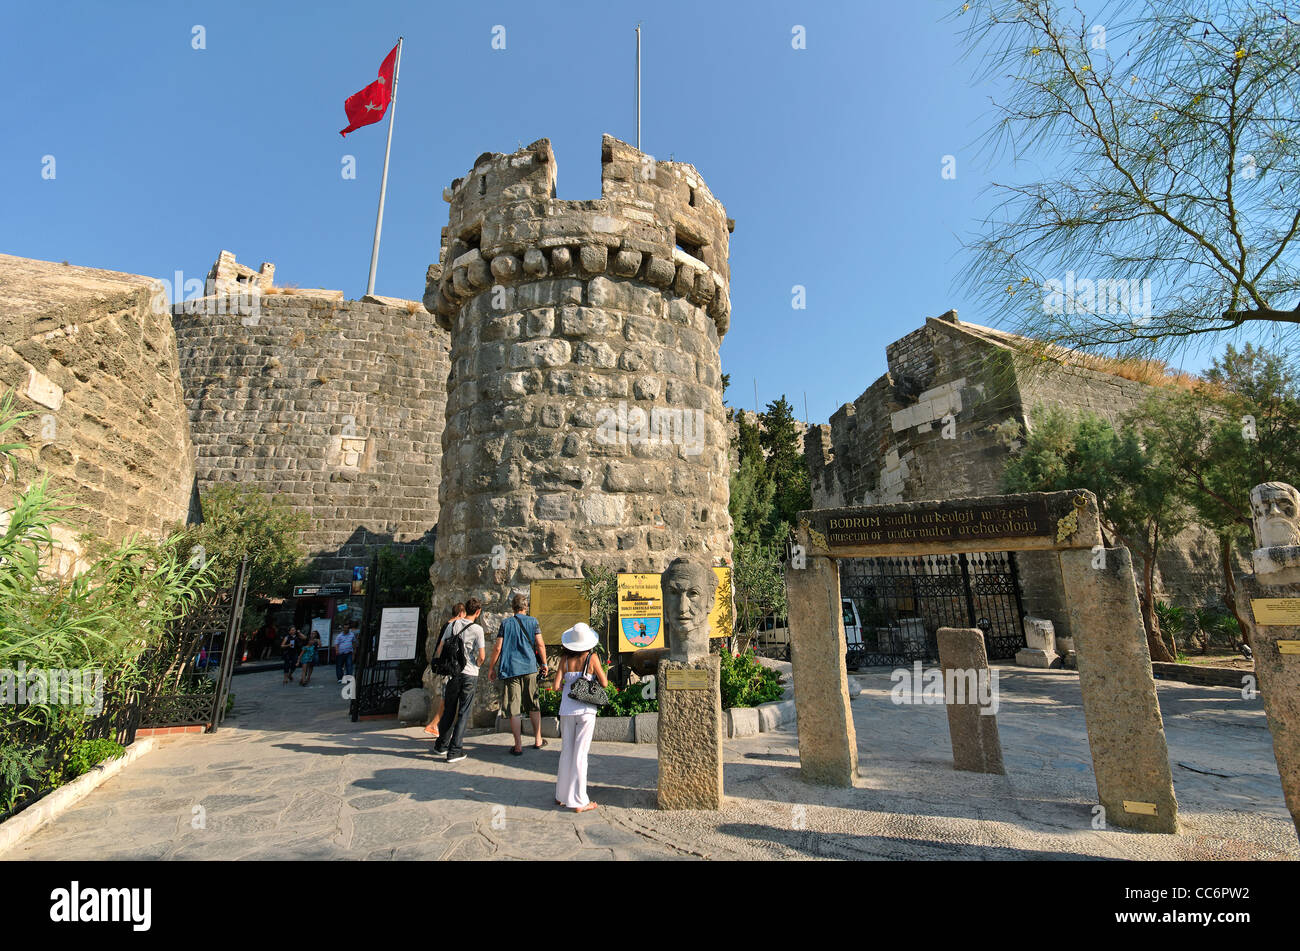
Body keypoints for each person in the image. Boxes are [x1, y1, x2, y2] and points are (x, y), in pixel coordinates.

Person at [552, 622, 606, 813]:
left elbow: (556, 686)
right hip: (586, 710)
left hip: (566, 709)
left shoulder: (564, 659)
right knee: (581, 755)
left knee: (566, 751)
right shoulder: (592, 658)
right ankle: (579, 800)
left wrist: (570, 681)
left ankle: (562, 795)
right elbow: (605, 683)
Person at [489, 592, 548, 755]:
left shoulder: (506, 624)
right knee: (533, 704)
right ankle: (537, 739)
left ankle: (518, 745)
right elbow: (540, 644)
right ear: (525, 607)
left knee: (514, 708)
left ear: (513, 608)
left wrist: (491, 667)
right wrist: (544, 663)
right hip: (529, 668)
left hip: (511, 669)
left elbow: (498, 647)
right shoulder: (533, 622)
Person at [432, 597, 486, 764]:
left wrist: (442, 664)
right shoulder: (477, 629)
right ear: (477, 612)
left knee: (449, 709)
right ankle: (455, 750)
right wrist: (477, 665)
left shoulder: (452, 625)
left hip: (452, 673)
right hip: (469, 673)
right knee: (463, 711)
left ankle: (441, 745)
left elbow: (440, 647)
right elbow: (482, 656)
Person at [425, 603, 465, 739]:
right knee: (445, 698)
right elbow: (441, 647)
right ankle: (434, 724)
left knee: (446, 697)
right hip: (448, 667)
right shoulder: (451, 626)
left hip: (445, 666)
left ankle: (438, 725)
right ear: (460, 613)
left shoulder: (447, 625)